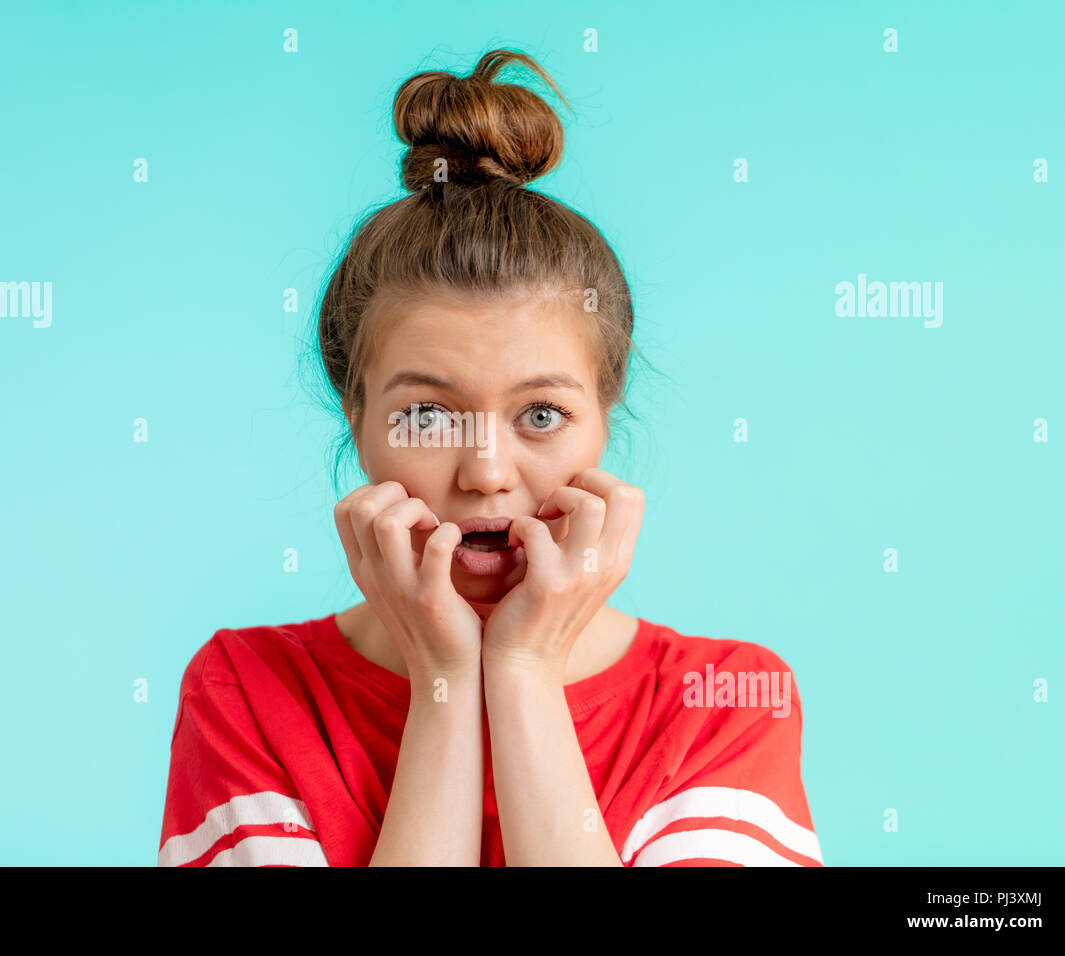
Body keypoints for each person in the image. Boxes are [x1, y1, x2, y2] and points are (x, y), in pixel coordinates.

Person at [158, 49, 822, 866]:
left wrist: (523, 669)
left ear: (605, 420)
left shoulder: (727, 701)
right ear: (354, 416)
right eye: (428, 415)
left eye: (541, 413)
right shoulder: (244, 690)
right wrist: (444, 680)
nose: (485, 473)